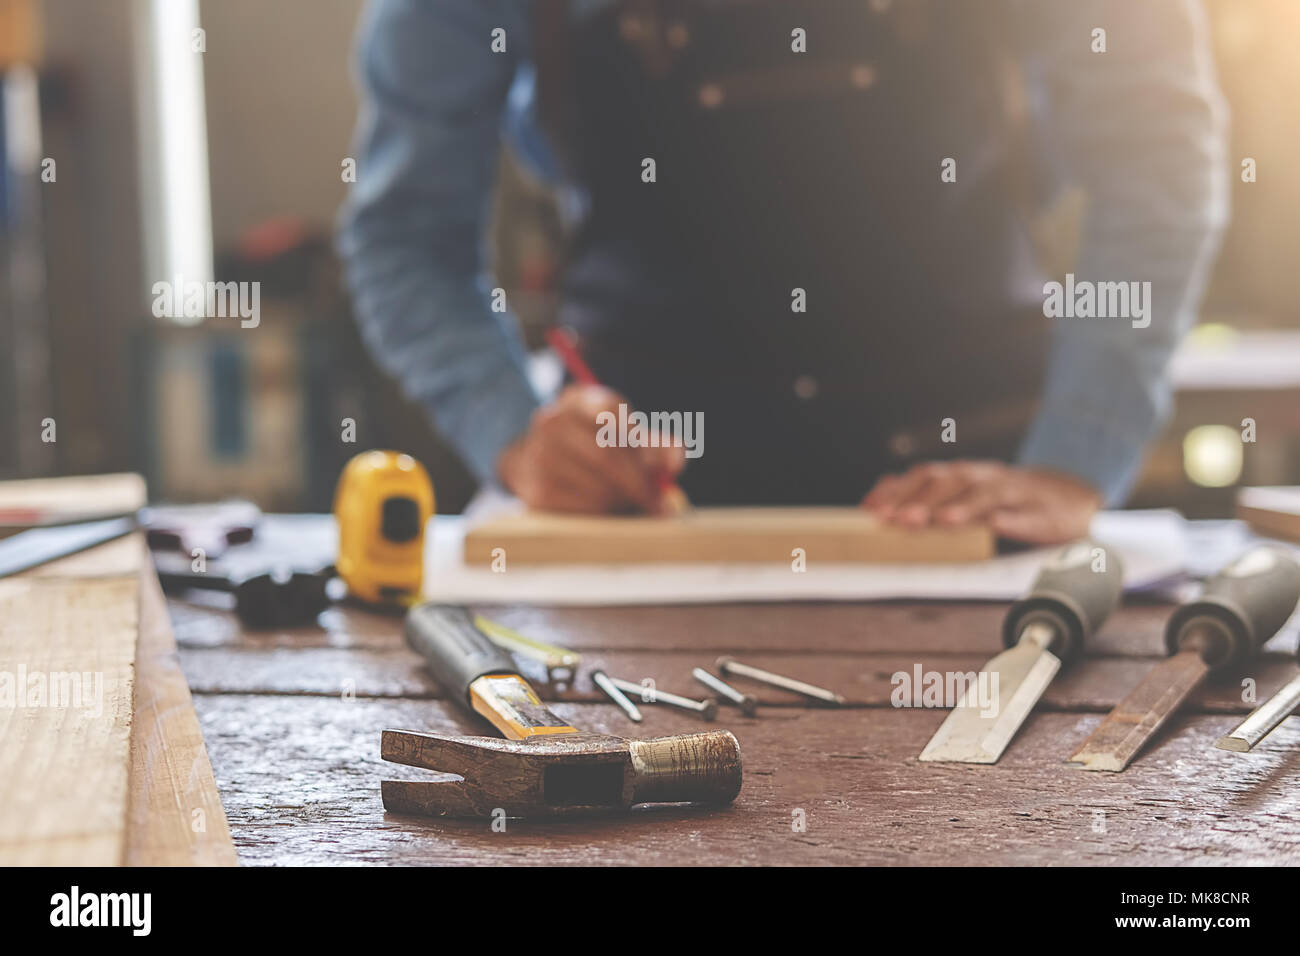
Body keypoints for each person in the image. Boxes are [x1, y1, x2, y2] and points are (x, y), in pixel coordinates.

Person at [339, 0, 1228, 544]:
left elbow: (1159, 167)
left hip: (978, 493)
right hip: (643, 509)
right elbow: (406, 233)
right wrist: (515, 433)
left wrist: (1076, 456)